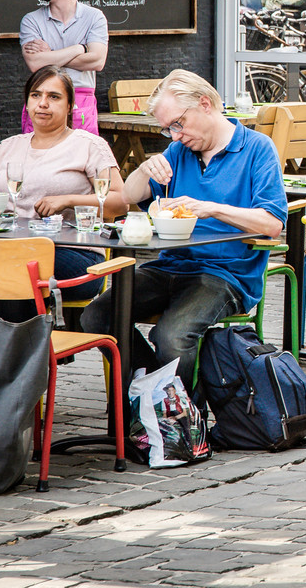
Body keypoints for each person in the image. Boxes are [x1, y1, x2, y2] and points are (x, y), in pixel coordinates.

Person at [80, 69, 287, 393]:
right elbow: (129, 197)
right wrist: (145, 169)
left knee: (172, 336)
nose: (174, 135)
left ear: (205, 104)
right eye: (168, 129)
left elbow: (272, 224)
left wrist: (212, 208)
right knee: (97, 316)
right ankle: (157, 398)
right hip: (171, 266)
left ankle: (176, 420)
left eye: (178, 124)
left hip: (225, 274)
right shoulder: (178, 151)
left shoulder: (257, 149)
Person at [0, 65, 130, 317]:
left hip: (74, 253)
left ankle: (24, 353)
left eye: (53, 97)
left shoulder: (89, 145)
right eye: (36, 95)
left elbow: (120, 201)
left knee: (15, 278)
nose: (43, 103)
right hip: (7, 247)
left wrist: (68, 200)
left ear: (69, 106)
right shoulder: (9, 146)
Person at [18, 0, 108, 134]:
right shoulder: (31, 20)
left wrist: (51, 53)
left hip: (80, 101)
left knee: (82, 159)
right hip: (44, 99)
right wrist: (79, 49)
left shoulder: (94, 17)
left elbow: (97, 61)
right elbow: (35, 63)